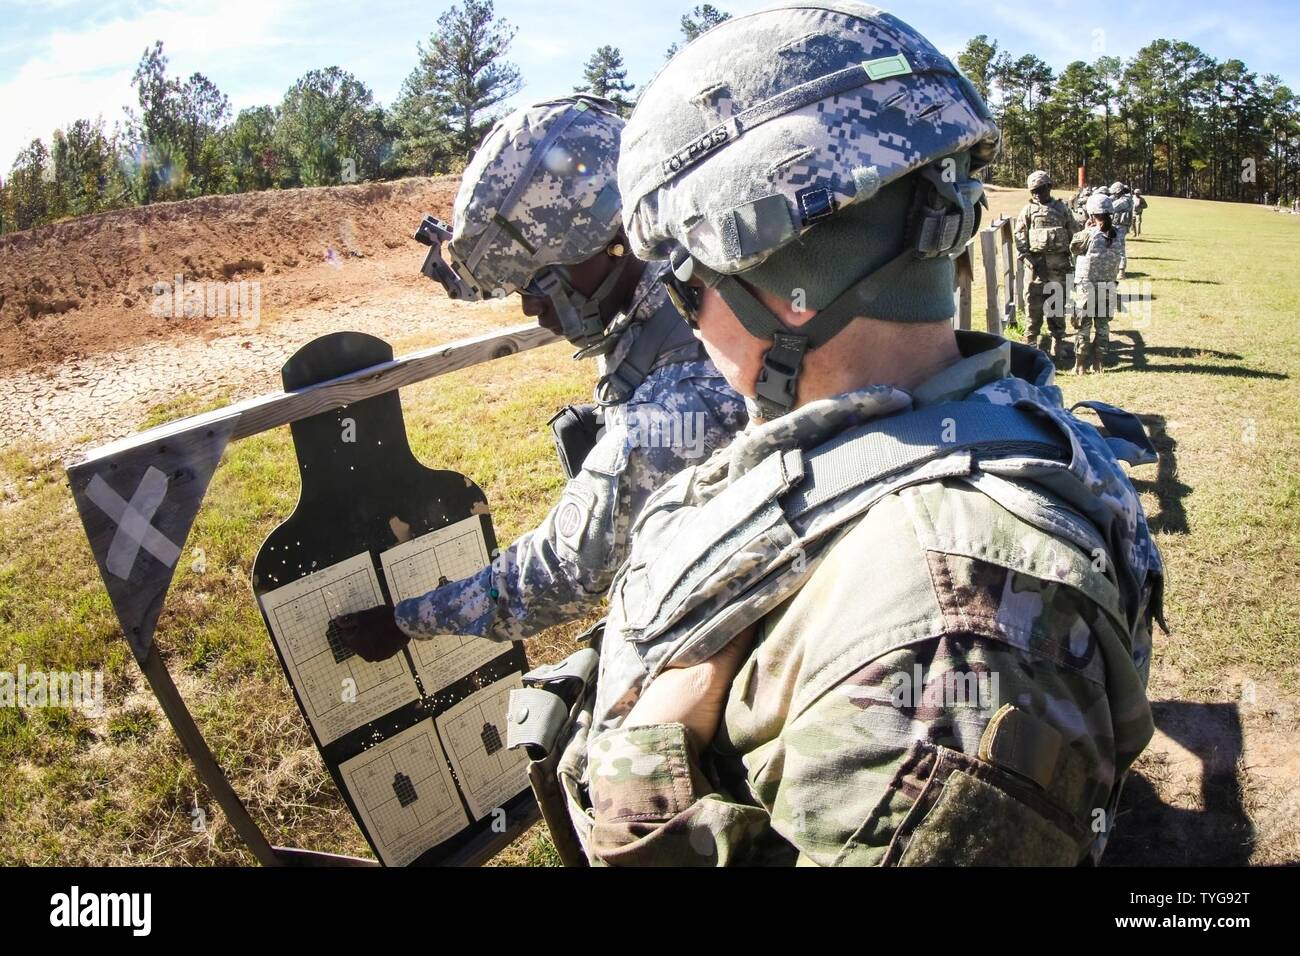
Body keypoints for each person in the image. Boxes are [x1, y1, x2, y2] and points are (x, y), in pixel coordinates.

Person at [554, 0, 1163, 867]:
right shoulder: (994, 419)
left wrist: (641, 767)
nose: (689, 321)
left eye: (689, 287)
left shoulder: (942, 627)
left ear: (778, 282)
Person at [329, 96, 745, 655]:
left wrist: (405, 621)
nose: (530, 308)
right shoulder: (695, 278)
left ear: (604, 246)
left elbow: (560, 572)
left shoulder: (688, 388)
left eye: (535, 282)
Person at [1015, 170, 1081, 365]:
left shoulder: (1062, 209)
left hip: (1059, 268)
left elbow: (1074, 234)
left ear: (1049, 187)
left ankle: (1057, 343)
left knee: (1057, 306)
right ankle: (1030, 344)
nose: (1037, 194)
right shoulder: (1027, 211)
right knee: (1032, 307)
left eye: (1041, 189)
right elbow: (1020, 236)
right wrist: (1027, 257)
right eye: (1034, 190)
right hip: (1035, 269)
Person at [1071, 192, 1123, 374]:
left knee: (1083, 326)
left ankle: (1079, 366)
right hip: (1108, 286)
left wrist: (1085, 229)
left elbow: (1074, 248)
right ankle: (1098, 363)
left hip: (1086, 286)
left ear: (1092, 214)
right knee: (1102, 325)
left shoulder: (1088, 234)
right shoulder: (1119, 234)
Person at [1108, 182, 1134, 279]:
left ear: (1119, 191)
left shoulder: (1124, 200)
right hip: (1117, 226)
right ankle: (1115, 269)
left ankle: (1121, 271)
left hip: (1120, 227)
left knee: (1120, 249)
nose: (1113, 194)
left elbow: (1111, 207)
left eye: (1114, 193)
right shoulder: (1122, 198)